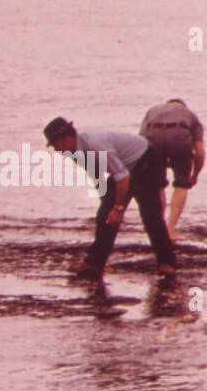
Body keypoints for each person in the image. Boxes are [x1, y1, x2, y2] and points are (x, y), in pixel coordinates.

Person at [43, 117, 177, 279]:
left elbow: (122, 178)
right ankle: (94, 264)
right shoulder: (75, 152)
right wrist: (107, 206)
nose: (57, 150)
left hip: (144, 160)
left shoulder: (96, 147)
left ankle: (167, 262)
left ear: (67, 139)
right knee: (104, 216)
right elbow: (96, 176)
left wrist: (118, 209)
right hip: (125, 167)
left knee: (150, 214)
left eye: (56, 145)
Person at [139, 99, 204, 242]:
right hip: (179, 135)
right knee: (181, 184)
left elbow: (140, 140)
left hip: (152, 134)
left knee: (158, 185)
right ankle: (170, 230)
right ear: (183, 107)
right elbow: (199, 153)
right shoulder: (190, 115)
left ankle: (158, 230)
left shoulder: (153, 110)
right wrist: (194, 176)